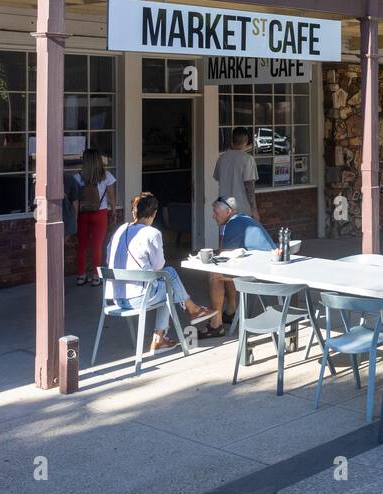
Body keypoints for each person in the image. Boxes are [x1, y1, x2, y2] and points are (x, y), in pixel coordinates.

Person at [107, 192, 213, 351]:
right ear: (155, 214)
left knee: (168, 283)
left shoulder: (120, 230)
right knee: (169, 275)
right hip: (138, 298)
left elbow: (109, 258)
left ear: (133, 212)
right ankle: (191, 311)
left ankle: (166, 334)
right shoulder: (152, 233)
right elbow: (159, 266)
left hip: (116, 297)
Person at [203, 196, 277, 338]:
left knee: (215, 274)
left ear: (228, 211)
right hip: (266, 265)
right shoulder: (242, 219)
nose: (213, 216)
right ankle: (231, 312)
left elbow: (224, 255)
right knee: (227, 271)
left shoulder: (234, 224)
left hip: (264, 272)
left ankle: (215, 324)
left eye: (215, 212)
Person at [73, 148, 117, 287]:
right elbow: (111, 196)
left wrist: (75, 217)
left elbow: (76, 200)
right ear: (99, 160)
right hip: (100, 213)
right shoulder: (106, 175)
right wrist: (114, 210)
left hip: (83, 214)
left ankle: (81, 275)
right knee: (97, 246)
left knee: (82, 246)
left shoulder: (78, 177)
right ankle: (96, 277)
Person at [213, 127, 258, 219]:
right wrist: (254, 210)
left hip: (223, 208)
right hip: (241, 209)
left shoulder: (222, 158)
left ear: (232, 140)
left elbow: (218, 178)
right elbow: (250, 186)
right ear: (246, 140)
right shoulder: (248, 159)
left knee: (225, 233)